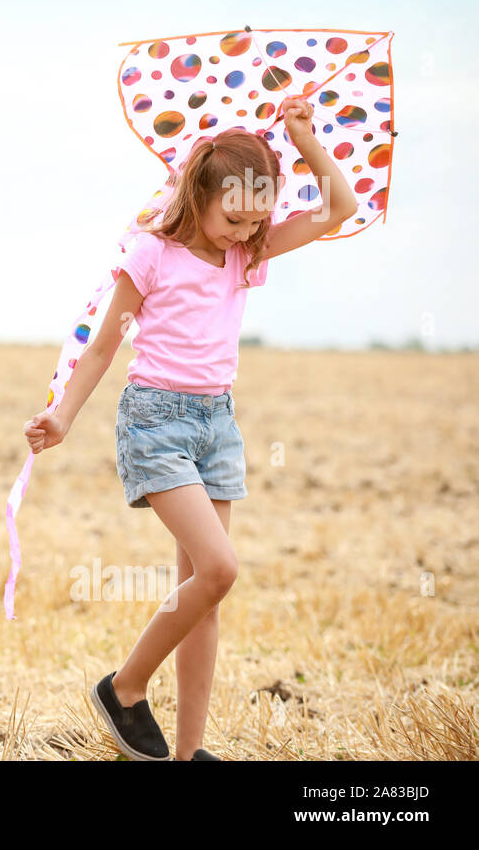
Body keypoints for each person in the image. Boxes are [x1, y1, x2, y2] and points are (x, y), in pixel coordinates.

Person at [24, 96, 357, 761]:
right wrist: (63, 412)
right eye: (234, 217)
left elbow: (338, 209)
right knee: (220, 569)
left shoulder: (246, 256)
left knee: (206, 595)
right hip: (157, 421)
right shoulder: (150, 255)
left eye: (256, 220)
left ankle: (189, 753)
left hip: (217, 426)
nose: (244, 232)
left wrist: (305, 142)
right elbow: (102, 347)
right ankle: (124, 687)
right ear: (198, 190)